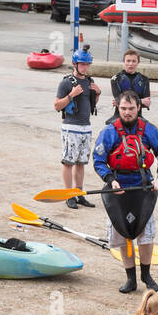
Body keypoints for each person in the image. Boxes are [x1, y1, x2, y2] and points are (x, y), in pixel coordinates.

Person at [93, 91, 158, 293]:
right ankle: (131, 279)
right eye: (123, 109)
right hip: (118, 190)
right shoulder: (109, 132)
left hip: (143, 188)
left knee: (146, 235)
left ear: (139, 108)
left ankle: (146, 274)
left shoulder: (149, 130)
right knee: (122, 233)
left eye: (131, 109)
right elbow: (99, 161)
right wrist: (110, 180)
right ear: (117, 108)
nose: (127, 113)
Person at [53, 46, 101, 210]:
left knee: (81, 162)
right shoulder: (66, 82)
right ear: (75, 64)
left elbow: (91, 105)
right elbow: (57, 105)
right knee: (68, 162)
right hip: (71, 127)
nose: (85, 67)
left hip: (86, 127)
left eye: (88, 64)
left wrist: (98, 94)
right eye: (82, 64)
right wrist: (71, 95)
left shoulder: (90, 82)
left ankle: (78, 194)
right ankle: (68, 195)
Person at [107, 49, 151, 123]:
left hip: (138, 116)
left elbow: (147, 103)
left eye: (134, 61)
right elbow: (119, 101)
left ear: (138, 62)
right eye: (128, 61)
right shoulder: (115, 79)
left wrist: (121, 101)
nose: (130, 64)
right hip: (119, 116)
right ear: (124, 61)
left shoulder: (144, 79)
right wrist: (140, 101)